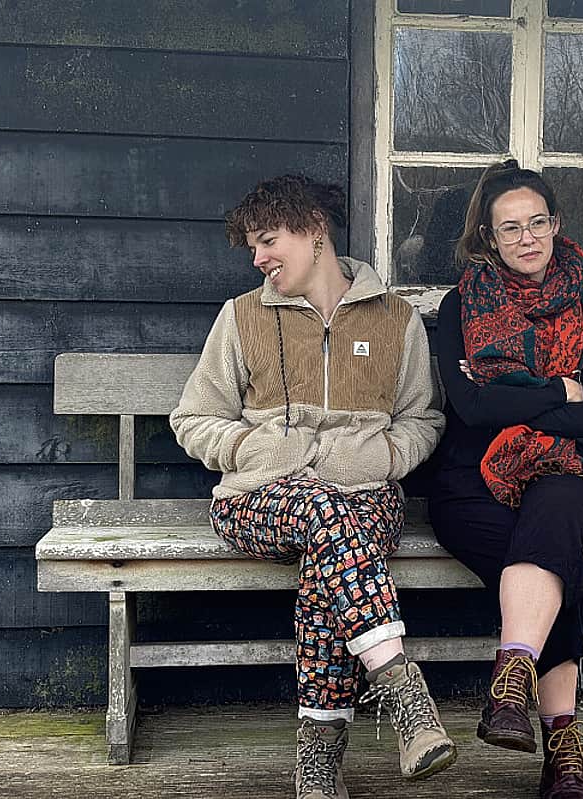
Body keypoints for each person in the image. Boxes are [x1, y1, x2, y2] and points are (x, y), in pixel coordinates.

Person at [170, 174, 456, 799]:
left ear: (315, 232)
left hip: (365, 495)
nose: (258, 259)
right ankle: (401, 690)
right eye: (252, 248)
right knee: (331, 525)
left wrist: (379, 455)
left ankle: (319, 762)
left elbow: (423, 419)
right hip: (258, 499)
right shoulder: (241, 317)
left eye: (268, 241)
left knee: (329, 559)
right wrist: (249, 447)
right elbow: (193, 418)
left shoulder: (396, 320)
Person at [427, 159, 583, 799]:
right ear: (490, 237)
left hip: (555, 474)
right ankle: (564, 752)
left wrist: (516, 390)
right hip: (466, 485)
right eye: (511, 228)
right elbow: (472, 409)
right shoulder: (462, 307)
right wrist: (557, 388)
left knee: (558, 509)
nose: (527, 238)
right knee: (555, 561)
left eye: (538, 222)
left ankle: (510, 684)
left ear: (557, 225)